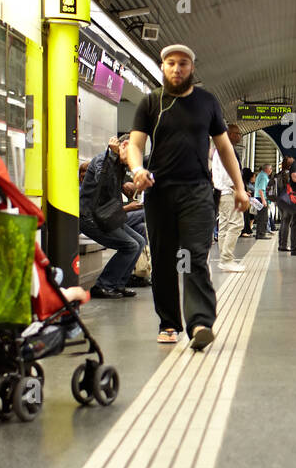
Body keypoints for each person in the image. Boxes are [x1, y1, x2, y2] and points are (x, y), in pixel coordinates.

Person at [126, 44, 249, 351]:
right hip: (159, 191)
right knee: (164, 258)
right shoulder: (151, 102)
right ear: (162, 66)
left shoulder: (207, 102)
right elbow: (135, 144)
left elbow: (224, 148)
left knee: (195, 255)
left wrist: (240, 188)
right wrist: (137, 168)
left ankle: (200, 323)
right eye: (171, 63)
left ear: (192, 68)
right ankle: (168, 323)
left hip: (197, 190)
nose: (177, 68)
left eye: (183, 63)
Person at [79, 135, 144, 298]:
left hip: (106, 216)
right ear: (125, 145)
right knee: (130, 246)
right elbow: (104, 185)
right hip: (91, 217)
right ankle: (103, 285)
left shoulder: (119, 164)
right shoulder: (103, 159)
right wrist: (113, 157)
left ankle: (117, 284)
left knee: (140, 241)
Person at [210, 122, 246, 273]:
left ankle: (224, 260)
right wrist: (239, 190)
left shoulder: (219, 150)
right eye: (238, 134)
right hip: (228, 192)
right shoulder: (226, 150)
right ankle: (227, 259)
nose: (239, 137)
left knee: (224, 226)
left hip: (221, 193)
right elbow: (227, 177)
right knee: (237, 224)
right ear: (230, 134)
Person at [276, 155, 295, 251]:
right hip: (288, 201)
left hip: (280, 201)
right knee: (286, 223)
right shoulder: (290, 175)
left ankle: (281, 244)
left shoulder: (279, 174)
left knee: (283, 222)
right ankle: (283, 245)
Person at [252, 164, 273, 238]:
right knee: (263, 217)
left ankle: (259, 233)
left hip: (257, 197)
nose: (271, 171)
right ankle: (261, 234)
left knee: (260, 217)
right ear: (267, 169)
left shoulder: (260, 175)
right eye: (270, 169)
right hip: (261, 198)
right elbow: (261, 189)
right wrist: (264, 200)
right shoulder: (264, 177)